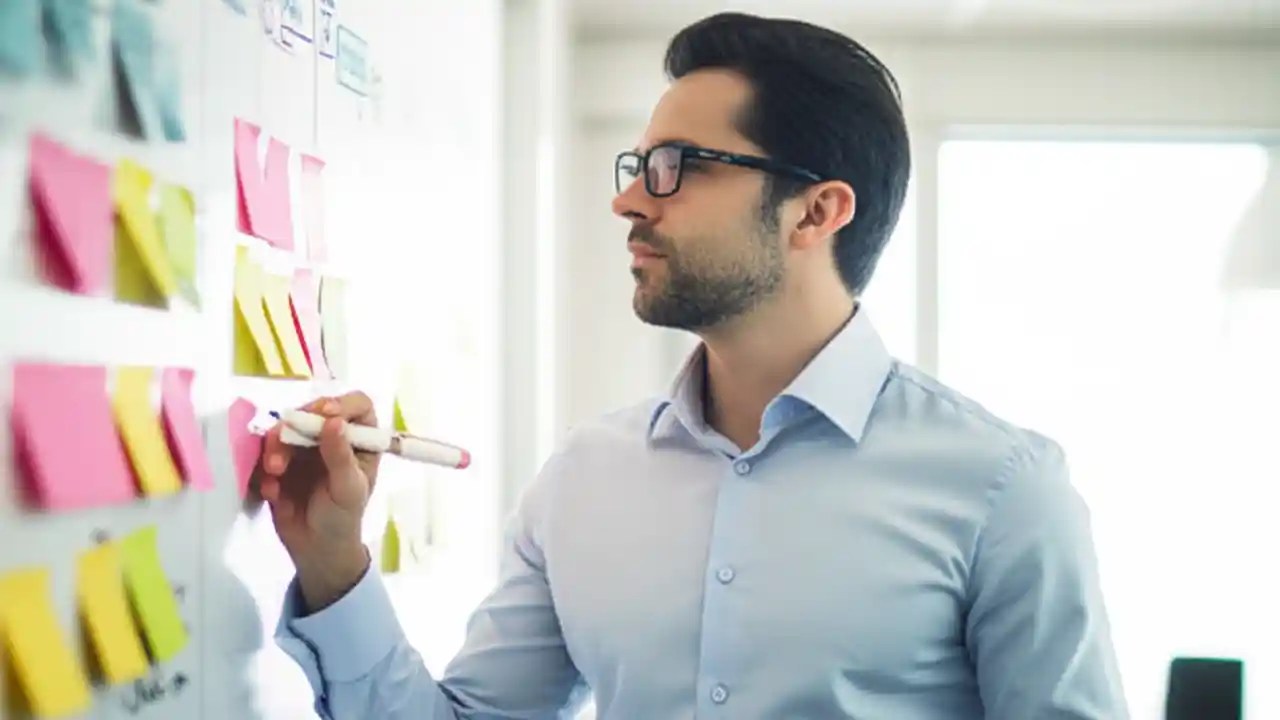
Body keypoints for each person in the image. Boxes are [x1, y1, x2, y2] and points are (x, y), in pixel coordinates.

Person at [257, 12, 1128, 719]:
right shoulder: (585, 477)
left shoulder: (1002, 490)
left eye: (676, 168)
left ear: (816, 211)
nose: (627, 199)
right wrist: (333, 565)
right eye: (640, 165)